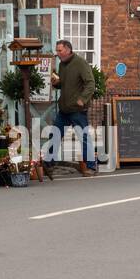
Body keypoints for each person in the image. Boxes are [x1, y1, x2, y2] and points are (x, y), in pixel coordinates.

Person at [44, 39, 98, 176]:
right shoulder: (62, 65)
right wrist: (56, 83)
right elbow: (64, 84)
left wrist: (82, 99)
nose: (58, 53)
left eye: (60, 50)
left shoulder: (80, 63)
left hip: (77, 110)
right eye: (57, 50)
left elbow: (91, 83)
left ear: (68, 50)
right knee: (55, 135)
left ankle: (91, 167)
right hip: (64, 109)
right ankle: (49, 164)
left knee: (84, 137)